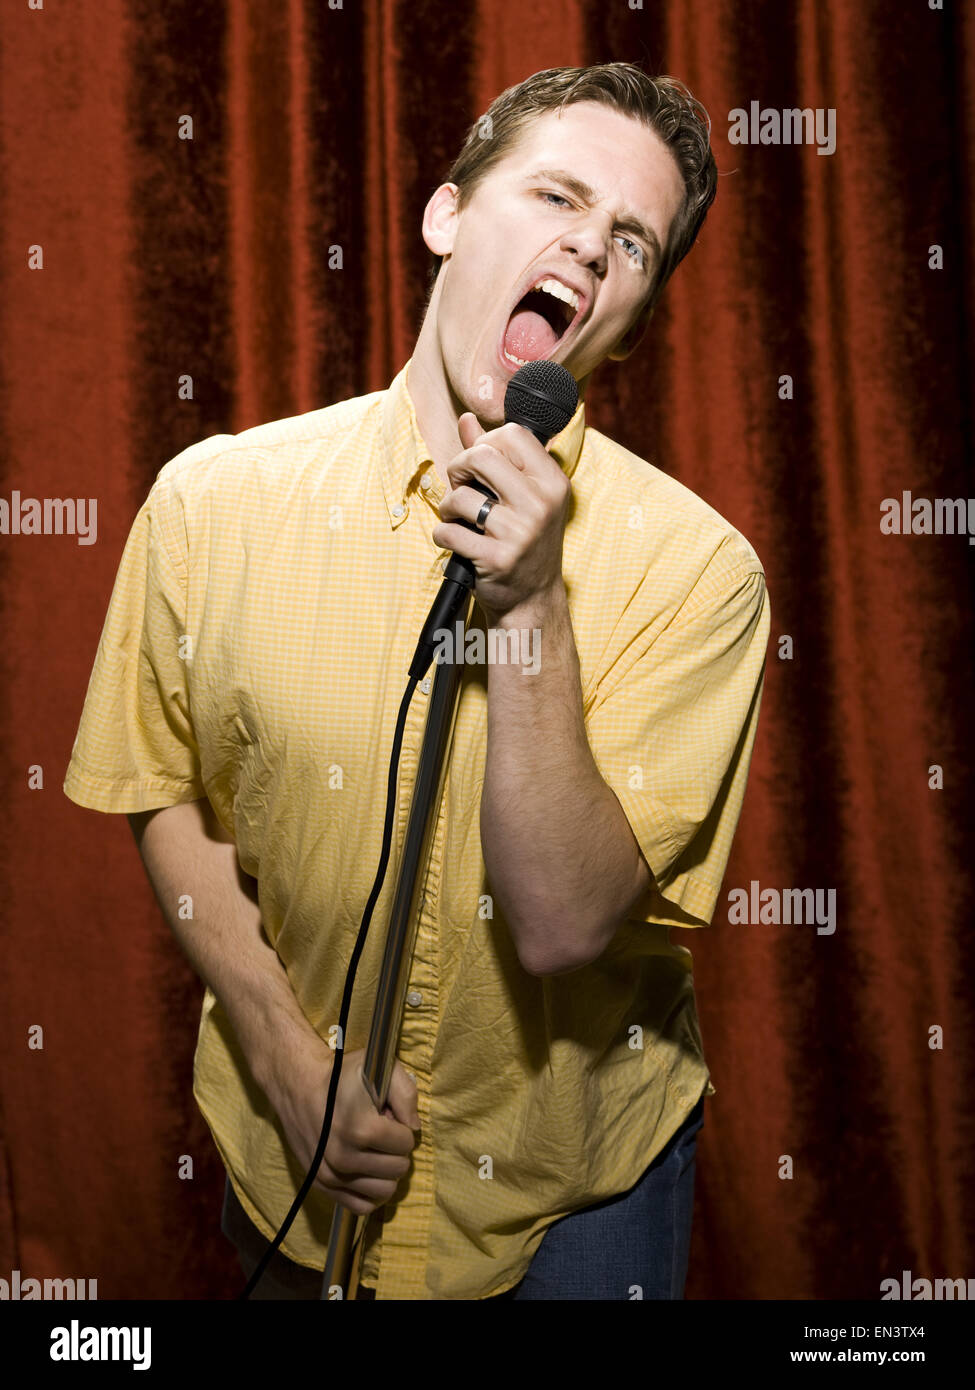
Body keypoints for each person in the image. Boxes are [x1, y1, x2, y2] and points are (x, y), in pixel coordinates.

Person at [63, 62, 770, 1301]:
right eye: (556, 195)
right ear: (447, 217)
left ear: (638, 314)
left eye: (633, 242)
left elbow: (558, 924)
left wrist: (533, 599)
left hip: (576, 1193)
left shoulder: (703, 575)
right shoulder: (212, 501)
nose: (587, 250)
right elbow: (161, 787)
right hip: (290, 1150)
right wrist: (283, 1055)